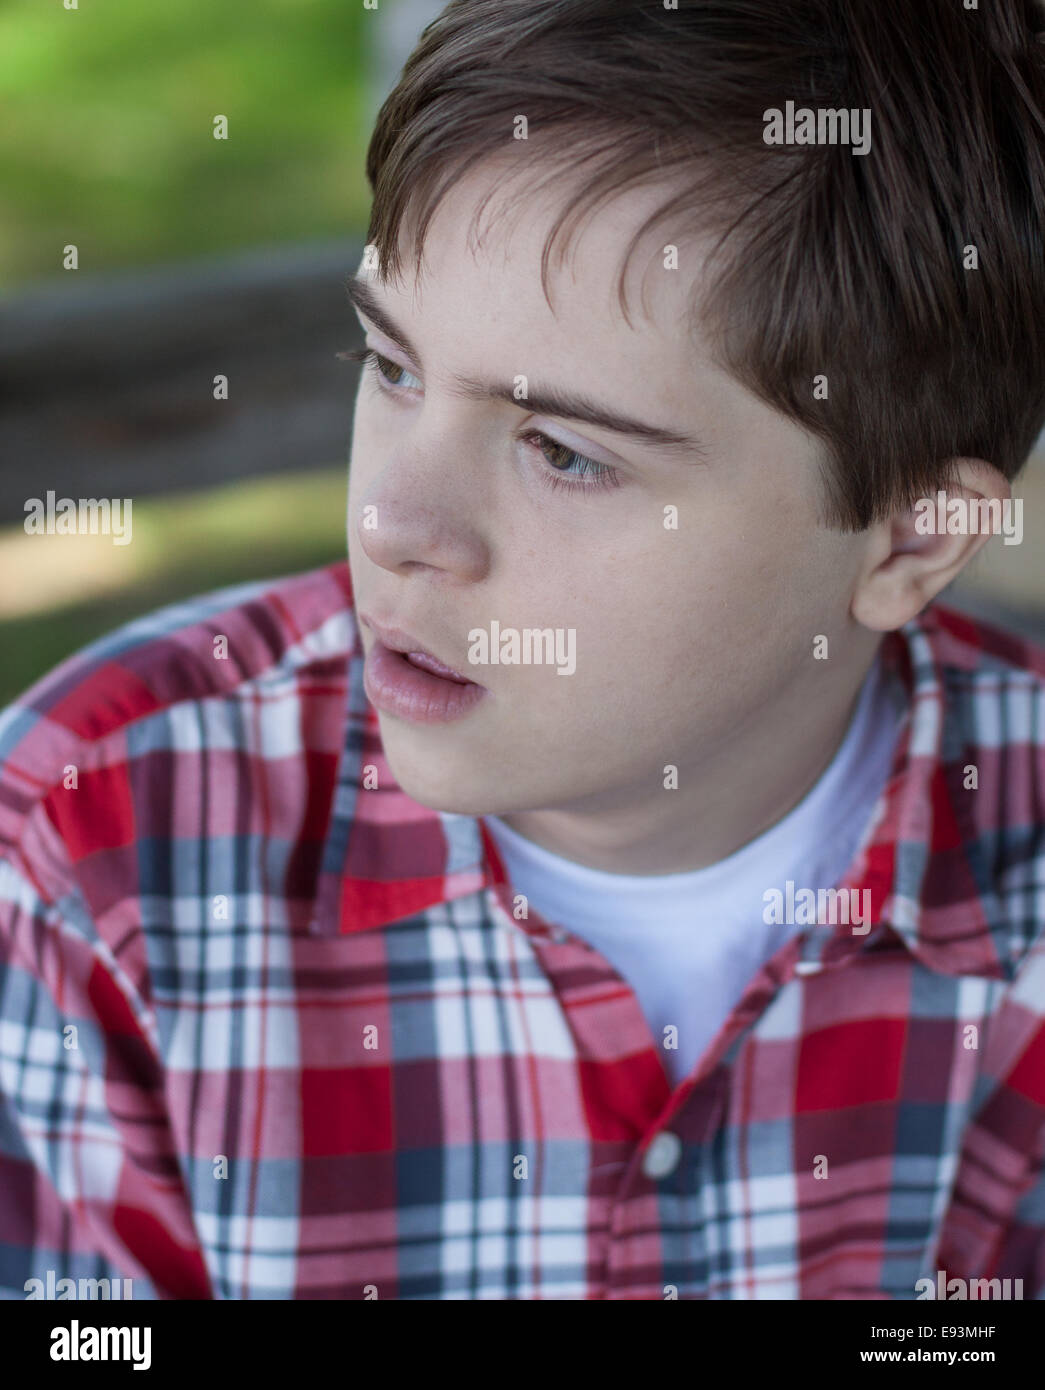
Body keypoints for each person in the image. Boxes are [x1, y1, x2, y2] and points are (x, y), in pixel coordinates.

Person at [2, 0, 1044, 1300]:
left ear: (909, 541)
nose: (392, 521)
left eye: (564, 450)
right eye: (389, 365)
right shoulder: (89, 840)